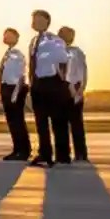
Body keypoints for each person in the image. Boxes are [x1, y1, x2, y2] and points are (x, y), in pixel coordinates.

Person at [28, 10, 71, 167]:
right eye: (33, 20)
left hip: (52, 82)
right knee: (41, 122)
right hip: (38, 83)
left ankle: (63, 155)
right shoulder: (33, 41)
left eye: (38, 19)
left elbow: (63, 58)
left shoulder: (55, 40)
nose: (34, 22)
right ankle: (44, 153)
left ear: (47, 21)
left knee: (58, 121)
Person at [0, 28, 31, 161]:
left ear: (16, 38)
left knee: (17, 121)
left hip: (15, 88)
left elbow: (21, 76)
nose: (5, 37)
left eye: (8, 35)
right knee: (12, 121)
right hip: (7, 88)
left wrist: (15, 94)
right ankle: (17, 149)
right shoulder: (8, 53)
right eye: (4, 35)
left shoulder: (17, 54)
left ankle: (23, 150)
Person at [59, 26, 89, 162]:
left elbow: (83, 71)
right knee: (60, 124)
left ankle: (81, 153)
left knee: (76, 123)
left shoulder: (77, 52)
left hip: (74, 89)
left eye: (68, 34)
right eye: (62, 34)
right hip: (60, 89)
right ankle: (63, 153)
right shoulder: (56, 52)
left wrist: (80, 90)